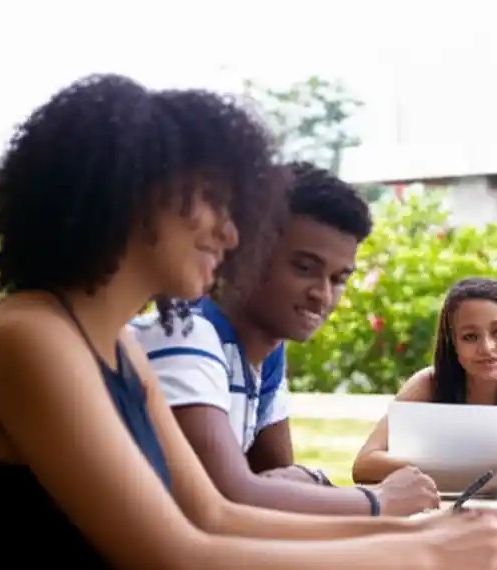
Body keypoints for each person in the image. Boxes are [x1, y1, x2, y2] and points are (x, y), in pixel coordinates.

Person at [0, 75, 497, 570]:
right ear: (130, 193)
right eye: (211, 201)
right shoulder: (30, 337)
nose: (231, 235)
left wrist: (426, 527)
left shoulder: (117, 345)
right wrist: (423, 552)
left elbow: (214, 514)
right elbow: (178, 569)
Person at [132, 160, 438, 519]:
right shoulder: (184, 332)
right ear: (245, 252)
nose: (322, 294)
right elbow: (233, 499)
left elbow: (277, 494)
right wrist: (379, 501)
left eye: (339, 278)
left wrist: (305, 479)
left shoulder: (266, 356)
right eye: (304, 268)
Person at [354, 277, 497, 488]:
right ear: (452, 343)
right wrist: (481, 470)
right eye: (470, 337)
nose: (487, 347)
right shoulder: (428, 384)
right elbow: (364, 464)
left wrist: (448, 471)